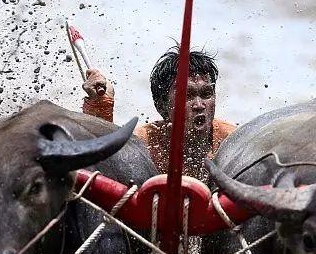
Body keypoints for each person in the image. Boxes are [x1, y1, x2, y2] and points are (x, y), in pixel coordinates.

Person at [81, 47, 235, 178]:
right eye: (186, 96)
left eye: (206, 94)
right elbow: (101, 163)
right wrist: (101, 106)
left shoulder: (231, 141)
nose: (200, 105)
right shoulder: (142, 144)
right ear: (161, 106)